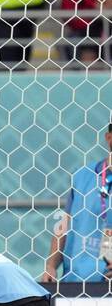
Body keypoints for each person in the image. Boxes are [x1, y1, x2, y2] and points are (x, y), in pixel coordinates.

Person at [44, 119, 112, 283]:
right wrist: (51, 266)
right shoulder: (83, 176)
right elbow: (64, 225)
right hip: (77, 282)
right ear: (109, 138)